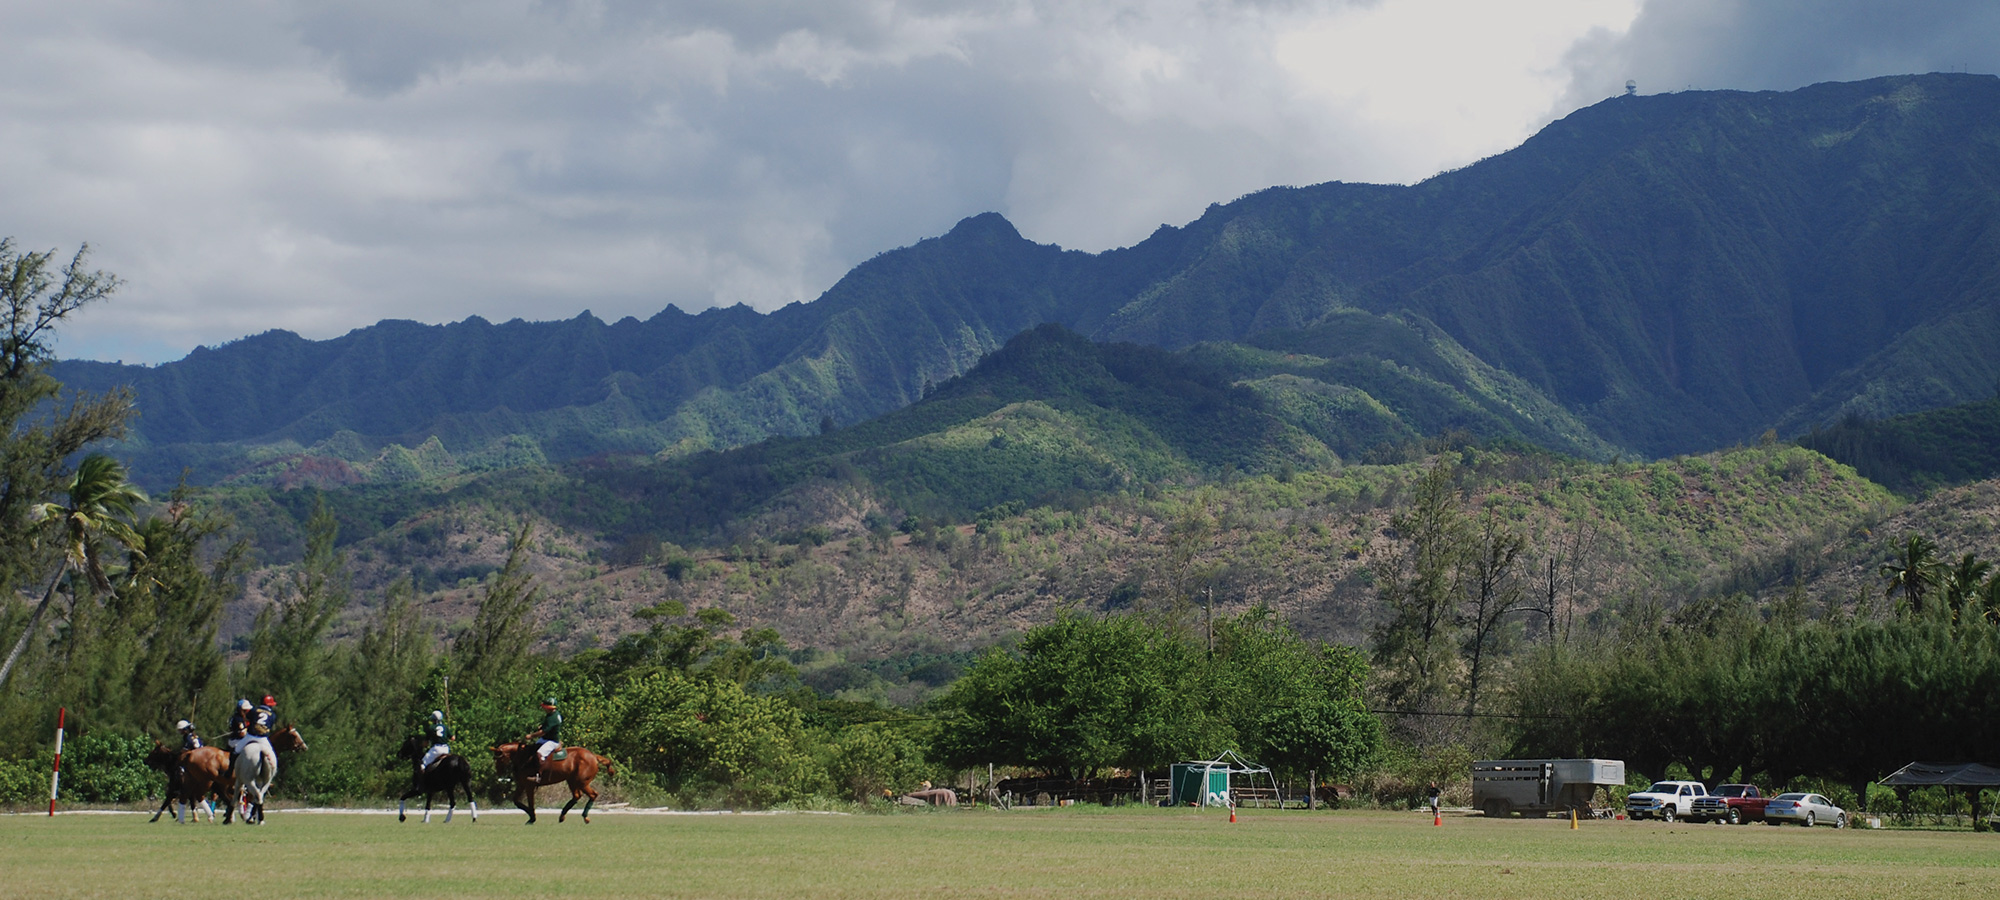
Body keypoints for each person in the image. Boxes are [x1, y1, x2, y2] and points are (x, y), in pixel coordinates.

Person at [526, 698, 562, 763]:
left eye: (545, 707)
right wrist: (543, 726)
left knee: (539, 754)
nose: (544, 708)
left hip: (552, 741)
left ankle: (542, 768)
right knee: (533, 749)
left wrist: (531, 736)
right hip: (546, 738)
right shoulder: (553, 714)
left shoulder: (552, 718)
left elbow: (542, 732)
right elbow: (550, 726)